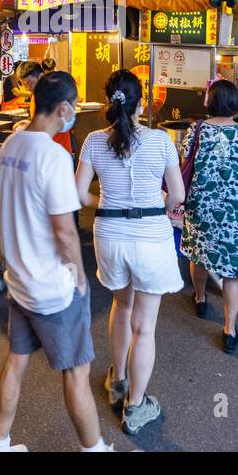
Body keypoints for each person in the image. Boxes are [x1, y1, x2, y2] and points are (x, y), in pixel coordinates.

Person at [0, 71, 110, 452]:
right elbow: (64, 232)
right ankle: (95, 450)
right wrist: (78, 277)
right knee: (77, 373)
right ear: (63, 108)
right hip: (51, 288)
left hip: (19, 282)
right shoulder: (54, 156)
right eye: (72, 107)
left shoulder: (10, 146)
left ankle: (0, 444)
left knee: (16, 361)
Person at [74, 70, 184, 435]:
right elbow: (179, 195)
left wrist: (103, 203)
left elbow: (78, 196)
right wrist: (161, 203)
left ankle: (116, 380)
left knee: (121, 307)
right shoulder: (161, 141)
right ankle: (135, 407)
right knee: (145, 327)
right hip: (151, 236)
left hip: (110, 235)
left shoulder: (92, 140)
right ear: (141, 102)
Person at [182, 80, 238, 354]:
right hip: (236, 210)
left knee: (200, 255)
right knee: (232, 272)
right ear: (235, 103)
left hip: (201, 207)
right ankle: (229, 330)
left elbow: (182, 162)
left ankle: (199, 299)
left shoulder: (196, 131)